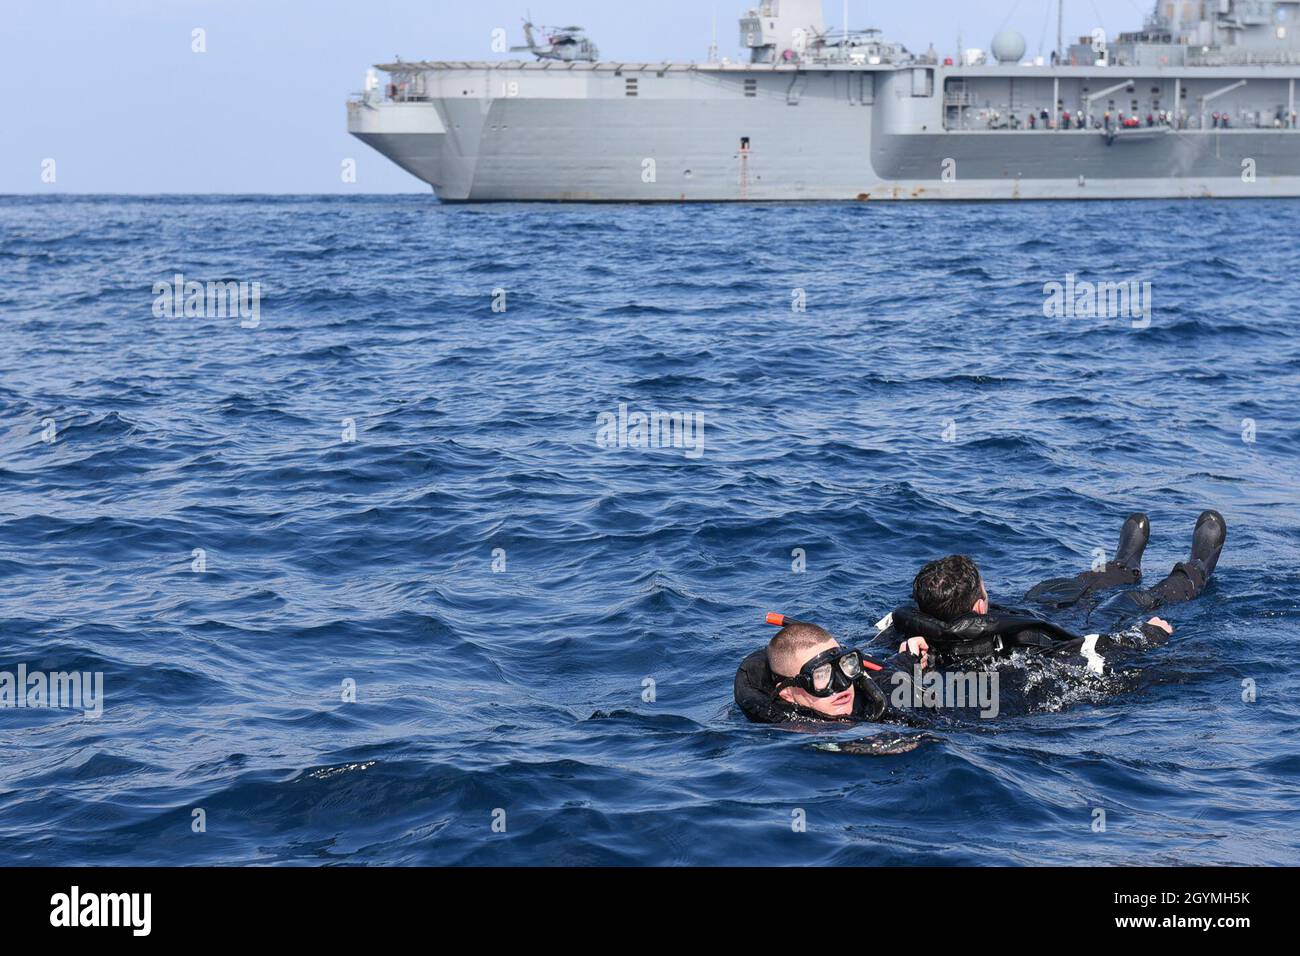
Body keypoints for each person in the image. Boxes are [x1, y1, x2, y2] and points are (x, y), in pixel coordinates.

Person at [888, 512, 1226, 670]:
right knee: (1130, 602)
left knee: (1055, 589)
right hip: (1073, 631)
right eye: (985, 591)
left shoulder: (907, 633)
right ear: (978, 609)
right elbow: (1080, 655)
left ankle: (1123, 566)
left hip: (1032, 613)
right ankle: (1197, 567)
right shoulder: (998, 657)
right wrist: (1146, 637)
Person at [734, 615, 927, 724]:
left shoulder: (867, 698)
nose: (843, 685)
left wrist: (908, 657)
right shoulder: (790, 735)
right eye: (821, 675)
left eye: (846, 665)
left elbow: (888, 675)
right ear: (787, 693)